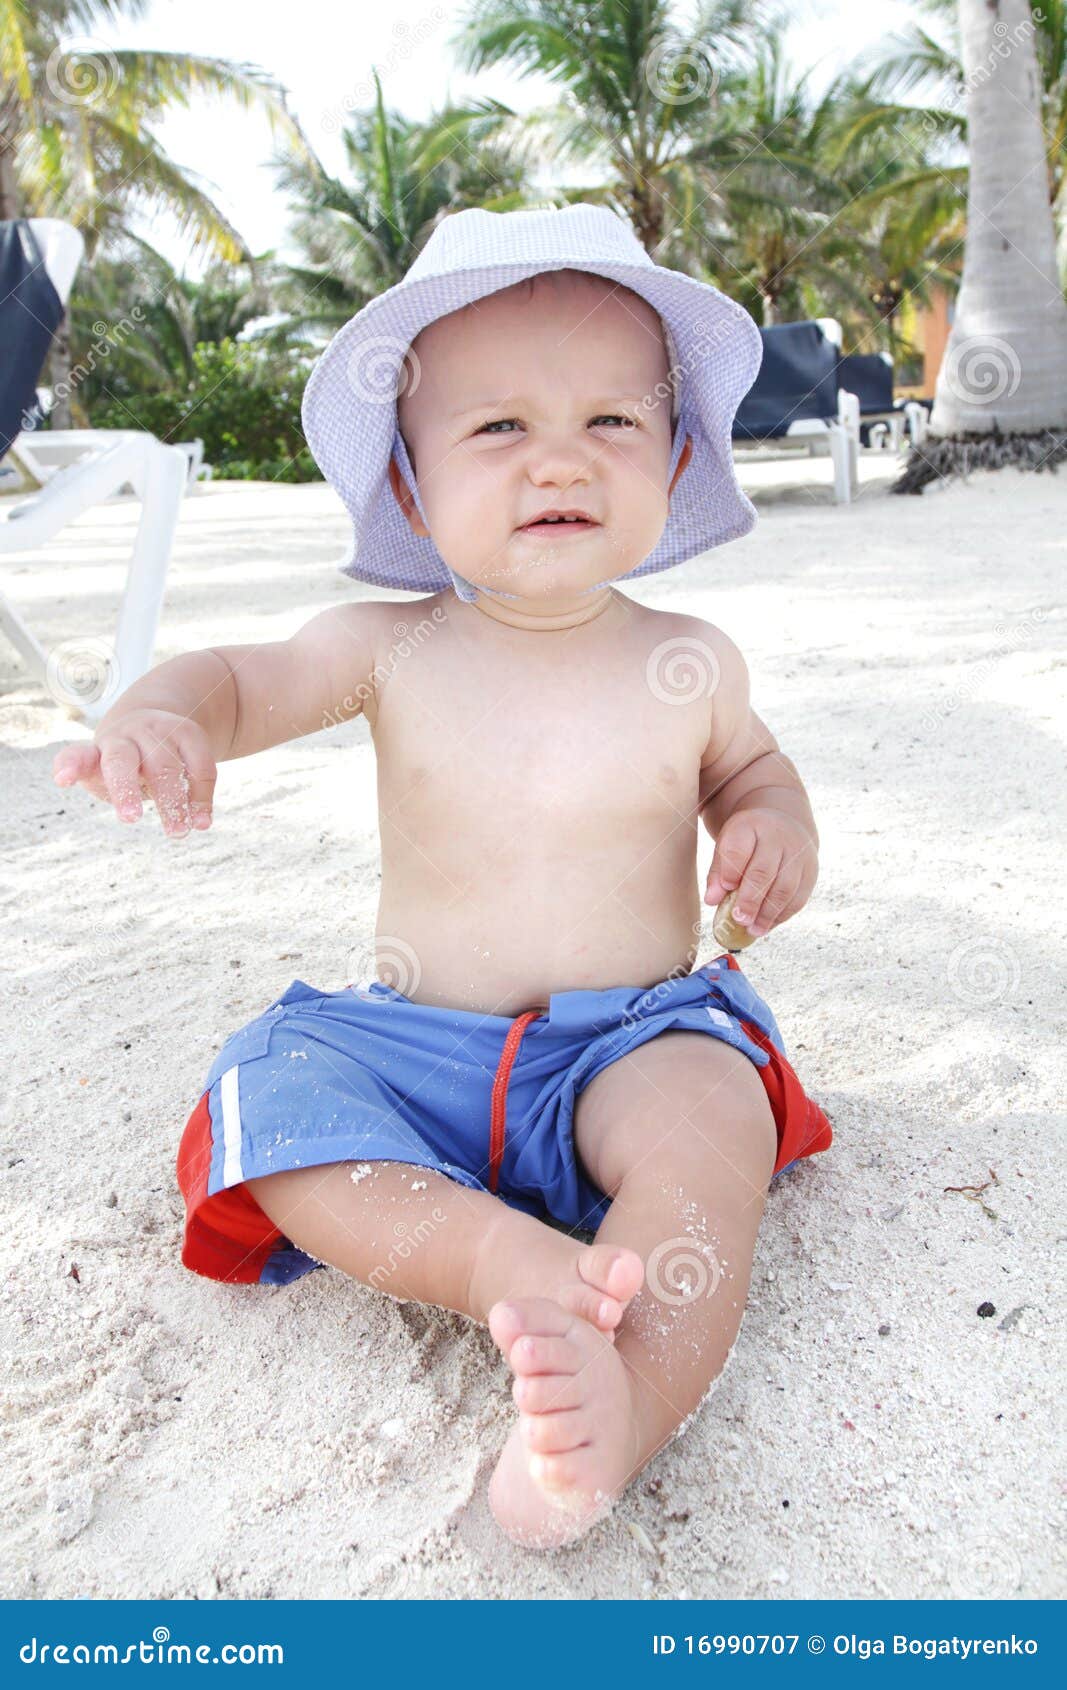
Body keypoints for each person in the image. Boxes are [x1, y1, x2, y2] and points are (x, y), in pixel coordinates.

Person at [52, 204, 832, 1548]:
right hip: (417, 1051)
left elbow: (755, 774)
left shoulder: (691, 659)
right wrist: (165, 713)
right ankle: (498, 1261)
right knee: (269, 1097)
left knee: (714, 1130)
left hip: (631, 1043)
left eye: (611, 421)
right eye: (500, 426)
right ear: (410, 487)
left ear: (674, 458)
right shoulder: (388, 646)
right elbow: (239, 679)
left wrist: (775, 829)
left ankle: (616, 1415)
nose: (559, 460)